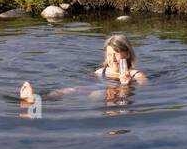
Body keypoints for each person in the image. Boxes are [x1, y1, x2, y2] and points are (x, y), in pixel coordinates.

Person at [19, 32, 147, 103]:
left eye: (116, 54)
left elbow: (145, 90)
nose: (112, 59)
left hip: (113, 95)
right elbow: (86, 85)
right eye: (109, 54)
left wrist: (126, 86)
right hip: (101, 92)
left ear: (127, 53)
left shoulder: (137, 74)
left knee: (97, 94)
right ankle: (36, 98)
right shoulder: (100, 71)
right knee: (75, 89)